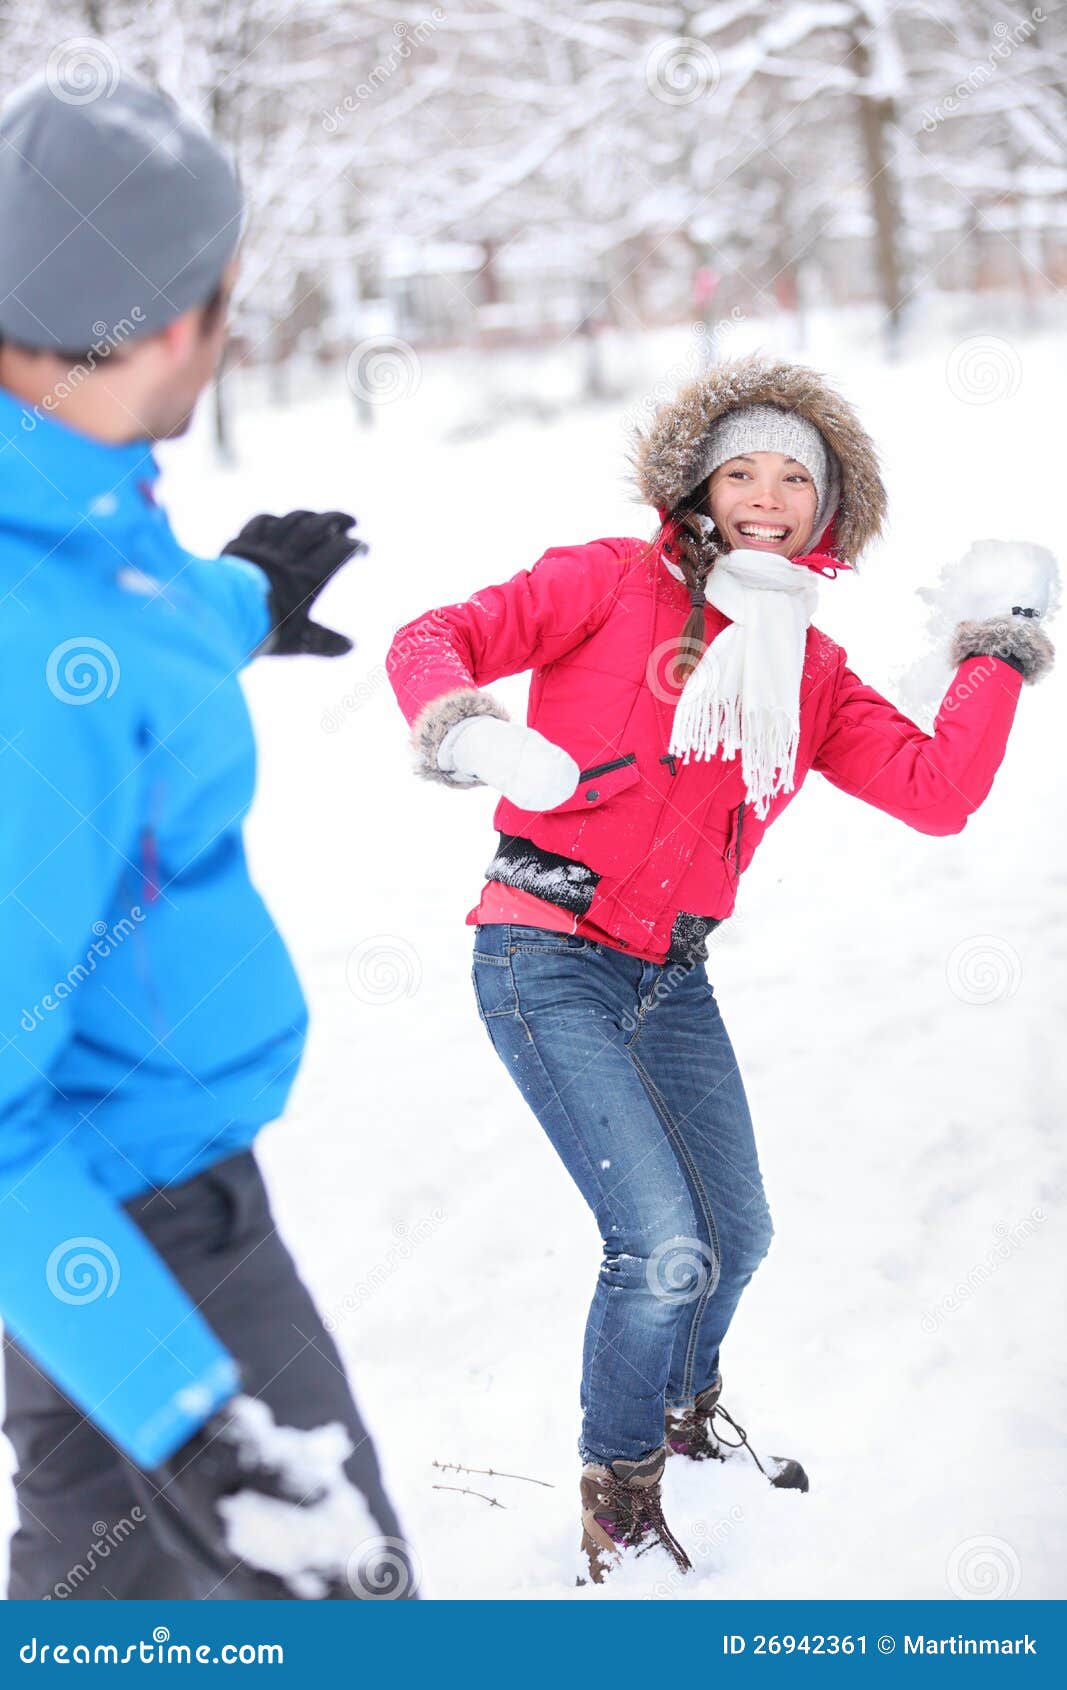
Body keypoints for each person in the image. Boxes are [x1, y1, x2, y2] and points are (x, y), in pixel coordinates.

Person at [386, 353, 1054, 1585]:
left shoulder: (808, 668)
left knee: (731, 1235)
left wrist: (995, 654)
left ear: (826, 506)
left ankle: (684, 1428)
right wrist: (467, 726)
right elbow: (434, 635)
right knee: (656, 1241)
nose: (761, 494)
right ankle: (617, 1502)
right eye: (737, 469)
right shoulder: (600, 580)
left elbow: (936, 790)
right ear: (693, 482)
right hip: (542, 946)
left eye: (790, 476)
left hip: (665, 973)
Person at [0, 72, 413, 1600]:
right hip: (135, 1239)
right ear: (180, 319)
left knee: (89, 1603)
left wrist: (241, 598)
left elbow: (116, 617)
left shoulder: (66, 507)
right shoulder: (33, 639)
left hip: (95, 1233)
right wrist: (189, 1416)